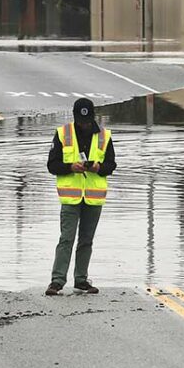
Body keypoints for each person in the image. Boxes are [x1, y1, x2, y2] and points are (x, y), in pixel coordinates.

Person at [45, 98, 116, 296]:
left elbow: (111, 165)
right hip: (71, 198)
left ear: (92, 117)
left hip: (94, 198)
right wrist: (70, 167)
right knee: (66, 239)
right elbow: (52, 165)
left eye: (87, 120)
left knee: (86, 240)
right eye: (81, 121)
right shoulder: (63, 133)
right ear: (75, 117)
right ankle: (57, 281)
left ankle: (81, 280)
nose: (84, 124)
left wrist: (98, 167)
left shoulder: (104, 136)